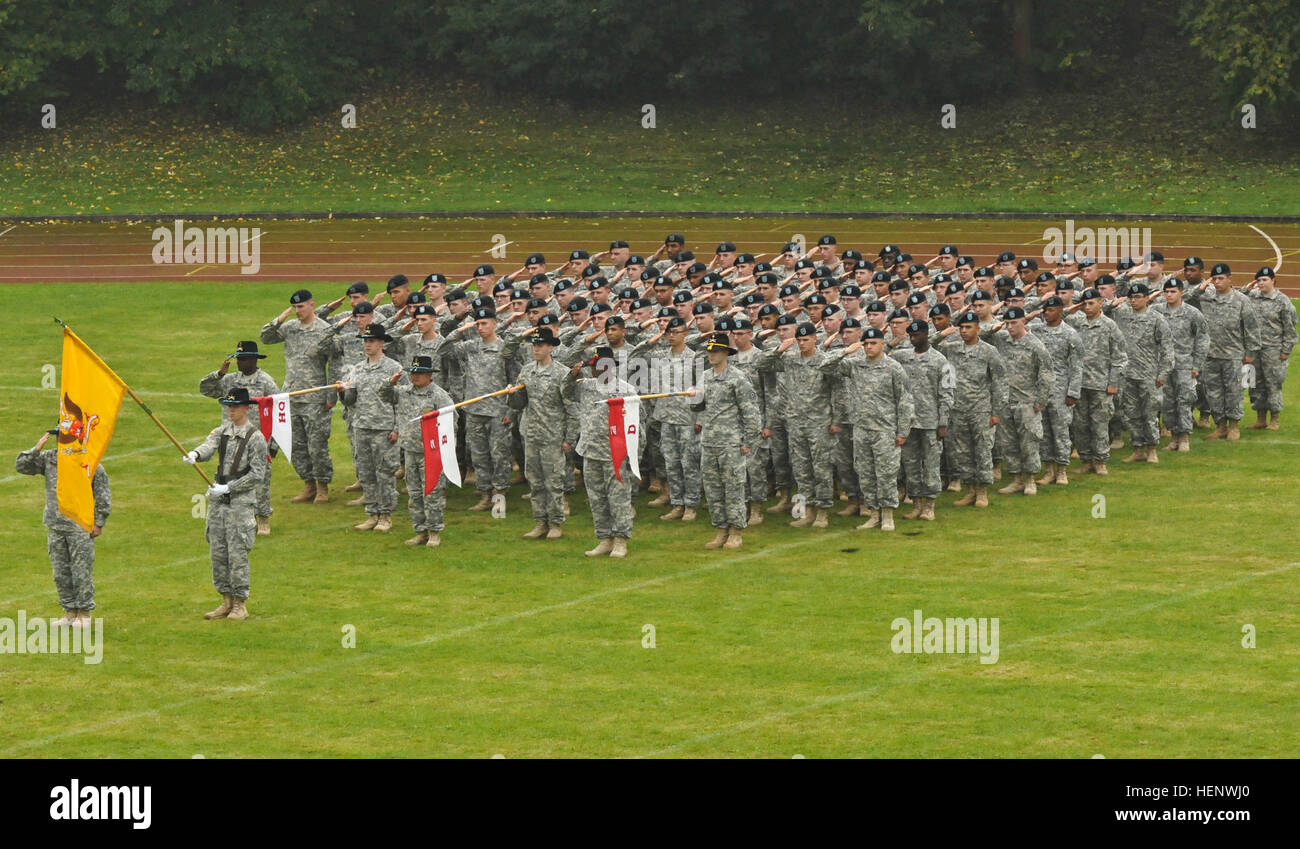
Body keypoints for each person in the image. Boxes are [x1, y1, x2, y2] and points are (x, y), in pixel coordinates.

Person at [183, 388, 268, 621]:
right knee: (218, 551)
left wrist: (230, 487)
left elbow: (258, 474)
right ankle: (226, 600)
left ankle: (240, 603)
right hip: (218, 502)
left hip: (240, 503)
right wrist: (196, 455)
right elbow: (209, 446)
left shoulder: (255, 438)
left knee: (237, 552)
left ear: (246, 408)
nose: (231, 410)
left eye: (235, 406)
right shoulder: (221, 432)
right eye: (229, 406)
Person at [15, 426, 111, 627]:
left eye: (64, 436)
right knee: (60, 572)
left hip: (79, 526)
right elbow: (22, 467)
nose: (61, 440)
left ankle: (84, 613)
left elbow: (102, 495)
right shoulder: (50, 458)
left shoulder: (89, 462)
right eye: (59, 436)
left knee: (81, 570)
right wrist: (36, 450)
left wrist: (99, 522)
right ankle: (69, 611)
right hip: (55, 525)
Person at [260, 289, 335, 504]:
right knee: (297, 444)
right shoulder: (290, 328)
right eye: (294, 307)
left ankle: (323, 486)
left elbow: (335, 363)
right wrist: (279, 320)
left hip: (314, 396)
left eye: (300, 306)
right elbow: (265, 337)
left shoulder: (324, 330)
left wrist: (331, 395)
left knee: (317, 445)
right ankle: (308, 484)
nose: (297, 311)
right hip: (291, 395)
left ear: (312, 305)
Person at [198, 340, 279, 535]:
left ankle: (263, 519)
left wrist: (274, 443)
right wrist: (219, 374)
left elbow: (279, 411)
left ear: (253, 359)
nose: (239, 363)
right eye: (237, 359)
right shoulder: (229, 380)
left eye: (243, 359)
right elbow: (205, 389)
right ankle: (235, 516)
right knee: (230, 477)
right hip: (231, 439)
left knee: (260, 479)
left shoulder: (266, 381)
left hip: (256, 439)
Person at [690, 332, 762, 549]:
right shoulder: (705, 376)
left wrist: (749, 442)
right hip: (709, 441)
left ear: (725, 353)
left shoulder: (738, 378)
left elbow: (751, 412)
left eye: (715, 351)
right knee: (713, 490)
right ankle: (721, 529)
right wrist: (693, 397)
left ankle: (736, 531)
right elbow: (698, 407)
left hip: (731, 442)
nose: (711, 355)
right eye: (709, 351)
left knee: (733, 488)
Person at [565, 347, 638, 557]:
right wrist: (571, 376)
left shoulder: (626, 390)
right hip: (590, 451)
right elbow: (564, 392)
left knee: (619, 498)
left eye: (601, 367)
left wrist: (634, 455)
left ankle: (621, 540)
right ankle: (604, 538)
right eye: (594, 367)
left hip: (615, 454)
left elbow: (636, 426)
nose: (597, 371)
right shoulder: (585, 387)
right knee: (597, 498)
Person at [839, 328, 914, 530]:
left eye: (873, 343)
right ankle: (874, 513)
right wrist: (845, 351)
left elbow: (905, 401)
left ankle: (888, 514)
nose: (869, 347)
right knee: (865, 473)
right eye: (865, 344)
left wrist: (902, 431)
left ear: (883, 344)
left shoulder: (893, 368)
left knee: (886, 474)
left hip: (885, 430)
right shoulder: (855, 365)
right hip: (862, 429)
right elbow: (825, 366)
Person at [381, 356, 456, 547]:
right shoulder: (404, 392)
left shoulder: (439, 395)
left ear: (429, 375)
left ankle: (434, 531)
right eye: (413, 373)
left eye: (419, 373)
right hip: (410, 451)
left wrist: (444, 445)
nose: (415, 377)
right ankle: (420, 530)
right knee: (414, 494)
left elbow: (452, 420)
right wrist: (389, 383)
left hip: (431, 453)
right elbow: (383, 395)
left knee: (432, 493)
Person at [507, 327, 571, 540]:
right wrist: (512, 395)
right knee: (534, 481)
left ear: (551, 347)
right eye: (534, 345)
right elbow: (519, 404)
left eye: (540, 345)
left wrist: (569, 438)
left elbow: (572, 408)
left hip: (553, 435)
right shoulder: (527, 371)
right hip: (532, 433)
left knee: (553, 481)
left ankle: (555, 523)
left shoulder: (562, 373)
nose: (536, 349)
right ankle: (540, 522)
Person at [1185, 264, 1261, 442]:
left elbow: (1252, 328)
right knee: (1213, 393)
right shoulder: (1206, 297)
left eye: (1221, 278)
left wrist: (1250, 354)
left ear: (1229, 279)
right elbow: (1185, 300)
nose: (1217, 282)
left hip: (1234, 355)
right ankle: (1220, 426)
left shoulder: (1241, 300)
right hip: (1210, 355)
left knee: (1234, 391)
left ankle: (1234, 426)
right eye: (1214, 279)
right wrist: (1201, 287)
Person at [940, 310, 1007, 506]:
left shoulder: (988, 351)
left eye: (968, 327)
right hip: (958, 410)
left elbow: (1000, 382)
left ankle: (982, 492)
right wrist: (942, 333)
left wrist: (996, 411)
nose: (964, 331)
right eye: (961, 328)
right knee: (963, 452)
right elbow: (931, 345)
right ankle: (970, 490)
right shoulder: (952, 349)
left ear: (978, 328)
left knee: (982, 450)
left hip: (981, 410)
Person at [342, 324, 404, 532]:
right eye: (365, 340)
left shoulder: (393, 368)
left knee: (385, 472)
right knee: (367, 473)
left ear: (381, 343)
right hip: (362, 426)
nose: (367, 344)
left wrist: (397, 428)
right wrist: (343, 392)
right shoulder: (357, 369)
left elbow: (400, 401)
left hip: (384, 428)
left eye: (371, 341)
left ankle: (386, 515)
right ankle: (372, 513)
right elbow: (351, 401)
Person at [891, 320, 953, 520]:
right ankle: (916, 503)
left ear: (927, 334)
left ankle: (929, 505)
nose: (913, 338)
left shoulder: (941, 360)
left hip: (930, 423)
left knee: (932, 465)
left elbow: (947, 393)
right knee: (910, 464)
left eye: (916, 335)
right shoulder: (902, 357)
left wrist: (943, 422)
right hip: (909, 422)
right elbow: (880, 356)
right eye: (910, 335)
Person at [988, 307, 1054, 494]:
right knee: (1008, 443)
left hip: (1027, 403)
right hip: (1005, 401)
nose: (1009, 327)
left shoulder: (1035, 345)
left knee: (1029, 442)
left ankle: (1030, 479)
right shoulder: (1001, 341)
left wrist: (1041, 400)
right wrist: (996, 326)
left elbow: (1047, 374)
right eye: (1007, 323)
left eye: (1013, 322)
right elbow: (982, 334)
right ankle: (1016, 478)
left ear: (1023, 321)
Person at [1111, 283, 1172, 464]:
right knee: (1131, 413)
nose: (1134, 300)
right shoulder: (1122, 316)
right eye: (1131, 297)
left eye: (1138, 297)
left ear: (1147, 298)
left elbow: (1167, 348)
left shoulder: (1156, 319)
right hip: (1128, 374)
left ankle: (1152, 448)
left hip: (1149, 374)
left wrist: (1163, 374)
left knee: (1150, 413)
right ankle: (1138, 448)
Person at [1071, 288, 1128, 473]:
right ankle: (1086, 460)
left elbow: (1120, 358)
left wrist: (1113, 383)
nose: (1087, 307)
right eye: (1084, 304)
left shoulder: (1109, 326)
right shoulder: (1077, 324)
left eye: (1091, 303)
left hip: (1101, 385)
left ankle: (1100, 461)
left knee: (1100, 424)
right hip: (1080, 384)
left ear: (1100, 303)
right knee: (1081, 425)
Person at [1029, 296, 1084, 482]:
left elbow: (1077, 366)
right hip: (1041, 390)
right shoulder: (1037, 331)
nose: (1046, 313)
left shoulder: (1070, 334)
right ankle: (1049, 469)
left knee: (1060, 431)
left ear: (1061, 311)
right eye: (1045, 310)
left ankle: (1061, 470)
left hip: (1061, 390)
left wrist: (1073, 392)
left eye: (1051, 310)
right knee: (1043, 431)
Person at [1151, 279, 1208, 451]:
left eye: (1173, 291)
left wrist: (1197, 364)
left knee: (1184, 401)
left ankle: (1184, 438)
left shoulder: (1192, 313)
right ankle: (1173, 438)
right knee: (1167, 403)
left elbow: (1202, 339)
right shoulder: (1157, 311)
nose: (1169, 295)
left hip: (1185, 364)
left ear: (1181, 292)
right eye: (1166, 291)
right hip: (1164, 366)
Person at [1245, 267, 1297, 430]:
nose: (1261, 283)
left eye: (1264, 280)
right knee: (1254, 384)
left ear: (1273, 280)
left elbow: (1290, 328)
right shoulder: (1252, 297)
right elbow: (1237, 297)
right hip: (1253, 350)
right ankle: (1260, 418)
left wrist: (1286, 350)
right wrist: (1247, 288)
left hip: (1273, 351)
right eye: (1259, 280)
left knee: (1272, 384)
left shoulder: (1282, 301)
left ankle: (1275, 419)